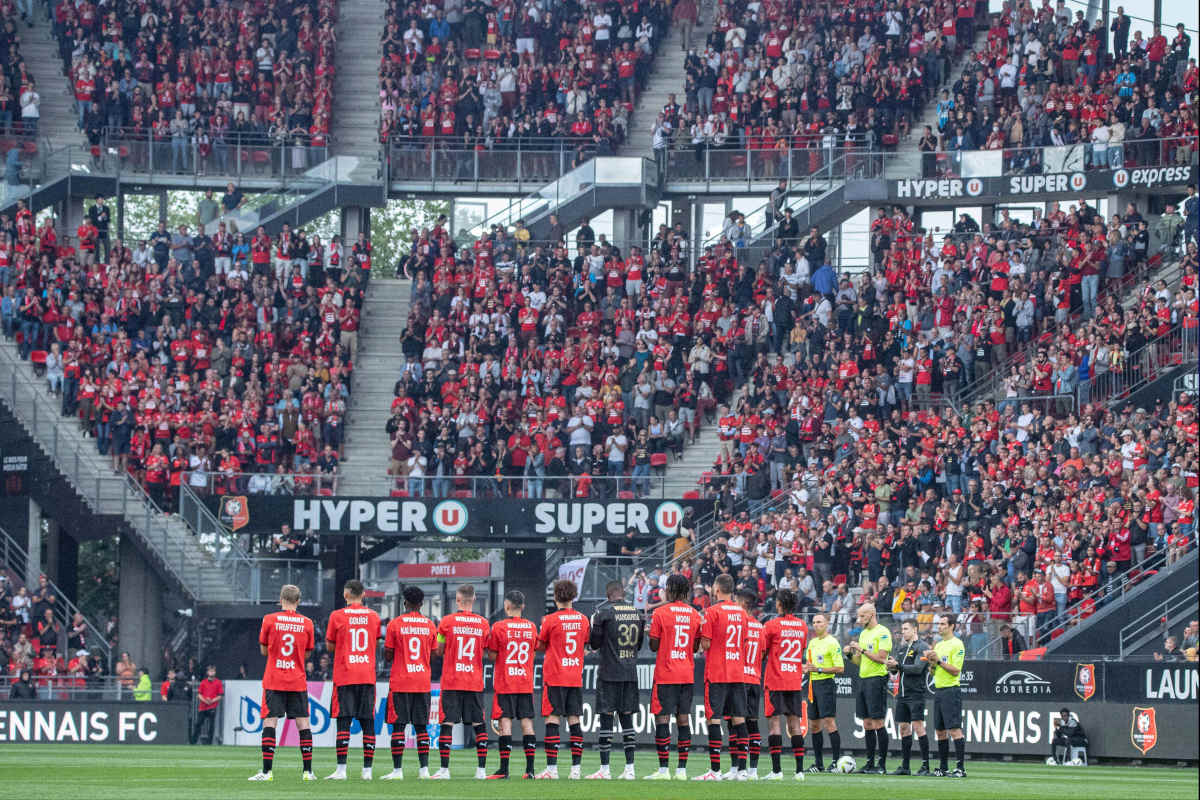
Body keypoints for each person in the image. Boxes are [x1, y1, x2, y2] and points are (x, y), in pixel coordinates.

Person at [249, 585, 316, 781]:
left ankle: (267, 772)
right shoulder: (307, 623)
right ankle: (307, 772)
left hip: (274, 678)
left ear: (280, 599)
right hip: (297, 679)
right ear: (299, 600)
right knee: (303, 723)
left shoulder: (269, 619)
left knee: (270, 722)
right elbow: (308, 653)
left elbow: (263, 650)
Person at [324, 579, 383, 781]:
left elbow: (330, 647)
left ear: (346, 593)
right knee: (367, 722)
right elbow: (375, 643)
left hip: (345, 675)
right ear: (363, 594)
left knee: (344, 722)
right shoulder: (374, 616)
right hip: (366, 675)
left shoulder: (337, 616)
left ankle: (341, 770)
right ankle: (367, 771)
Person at [646, 573, 703, 780]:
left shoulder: (660, 613)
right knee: (683, 720)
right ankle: (681, 770)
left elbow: (653, 646)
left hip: (666, 674)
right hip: (686, 674)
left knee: (662, 719)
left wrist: (655, 636)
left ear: (670, 589)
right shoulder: (695, 614)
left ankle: (663, 770)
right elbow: (696, 646)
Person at [694, 573, 750, 781]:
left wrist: (701, 636)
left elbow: (706, 644)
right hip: (737, 671)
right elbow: (744, 642)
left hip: (717, 671)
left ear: (717, 589)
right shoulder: (742, 613)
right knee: (739, 720)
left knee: (714, 720)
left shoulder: (712, 612)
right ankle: (741, 771)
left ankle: (715, 771)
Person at [587, 580, 644, 779]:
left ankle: (605, 769)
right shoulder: (637, 613)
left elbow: (594, 643)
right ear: (622, 593)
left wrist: (594, 623)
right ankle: (630, 769)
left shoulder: (603, 614)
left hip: (609, 672)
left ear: (608, 594)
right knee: (627, 719)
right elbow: (639, 644)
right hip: (630, 673)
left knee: (606, 719)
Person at [536, 579, 591, 780]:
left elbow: (540, 646)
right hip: (574, 676)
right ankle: (575, 770)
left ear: (556, 596)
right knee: (574, 720)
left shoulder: (550, 620)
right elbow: (585, 643)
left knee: (553, 719)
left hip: (555, 676)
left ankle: (552, 769)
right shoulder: (583, 620)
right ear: (573, 596)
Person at [434, 583, 491, 779]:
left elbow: (439, 650)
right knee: (478, 724)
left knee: (448, 723)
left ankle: (444, 770)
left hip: (452, 680)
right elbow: (485, 650)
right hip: (474, 680)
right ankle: (481, 771)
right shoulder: (484, 624)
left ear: (457, 600)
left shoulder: (446, 622)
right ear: (474, 599)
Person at [381, 585, 437, 780]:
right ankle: (424, 770)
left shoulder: (394, 624)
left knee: (399, 726)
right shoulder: (430, 625)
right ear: (421, 604)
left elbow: (388, 654)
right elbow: (434, 653)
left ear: (404, 602)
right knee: (422, 727)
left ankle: (397, 771)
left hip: (401, 681)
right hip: (422, 681)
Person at [485, 589, 539, 779]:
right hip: (524, 681)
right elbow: (533, 651)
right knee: (527, 724)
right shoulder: (532, 627)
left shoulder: (499, 627)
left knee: (505, 723)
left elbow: (491, 655)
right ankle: (530, 770)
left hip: (506, 682)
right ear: (522, 606)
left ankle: (504, 770)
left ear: (506, 606)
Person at [760, 588, 809, 781]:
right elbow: (801, 650)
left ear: (779, 604)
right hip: (794, 680)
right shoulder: (803, 626)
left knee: (774, 726)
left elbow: (763, 653)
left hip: (775, 680)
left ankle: (777, 771)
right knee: (795, 725)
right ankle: (799, 772)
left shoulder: (771, 626)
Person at [845, 603, 892, 773]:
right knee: (866, 723)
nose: (860, 620)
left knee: (878, 721)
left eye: (862, 616)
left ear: (872, 615)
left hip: (876, 679)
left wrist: (862, 649)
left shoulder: (883, 632)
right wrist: (850, 654)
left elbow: (882, 658)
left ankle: (882, 764)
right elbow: (859, 661)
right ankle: (870, 762)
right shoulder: (864, 634)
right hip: (863, 680)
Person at [887, 619, 931, 774]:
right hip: (902, 695)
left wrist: (898, 666)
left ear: (915, 630)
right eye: (902, 629)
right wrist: (891, 667)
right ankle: (905, 766)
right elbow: (897, 670)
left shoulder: (923, 647)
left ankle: (925, 765)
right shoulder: (902, 648)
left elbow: (918, 668)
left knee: (918, 727)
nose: (903, 631)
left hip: (916, 694)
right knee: (904, 728)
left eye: (906, 629)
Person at [925, 613, 966, 777]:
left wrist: (939, 661)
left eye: (943, 624)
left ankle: (960, 768)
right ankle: (943, 767)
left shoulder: (957, 644)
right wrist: (931, 664)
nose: (939, 627)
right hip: (939, 690)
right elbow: (934, 671)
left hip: (951, 690)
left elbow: (956, 671)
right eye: (939, 624)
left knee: (955, 730)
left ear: (951, 626)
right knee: (940, 731)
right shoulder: (939, 645)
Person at [729, 590, 765, 779]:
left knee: (735, 724)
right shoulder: (760, 627)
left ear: (743, 604)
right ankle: (753, 770)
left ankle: (737, 768)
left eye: (736, 601)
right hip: (755, 679)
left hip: (739, 679)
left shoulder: (739, 624)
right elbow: (763, 653)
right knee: (753, 724)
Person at [803, 612, 843, 772]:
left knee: (829, 722)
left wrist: (819, 669)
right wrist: (805, 668)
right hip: (813, 685)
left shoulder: (832, 642)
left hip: (826, 684)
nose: (816, 624)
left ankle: (835, 761)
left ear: (827, 623)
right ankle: (818, 764)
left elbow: (840, 668)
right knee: (814, 725)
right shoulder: (812, 643)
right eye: (814, 622)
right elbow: (809, 665)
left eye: (819, 621)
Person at [192, 665, 223, 745]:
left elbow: (220, 695)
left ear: (215, 672)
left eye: (213, 671)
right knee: (198, 723)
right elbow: (199, 694)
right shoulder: (203, 682)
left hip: (212, 706)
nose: (211, 672)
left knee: (211, 726)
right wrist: (205, 700)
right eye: (210, 671)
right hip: (203, 707)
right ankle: (193, 741)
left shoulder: (218, 682)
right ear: (207, 672)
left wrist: (212, 700)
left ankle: (209, 742)